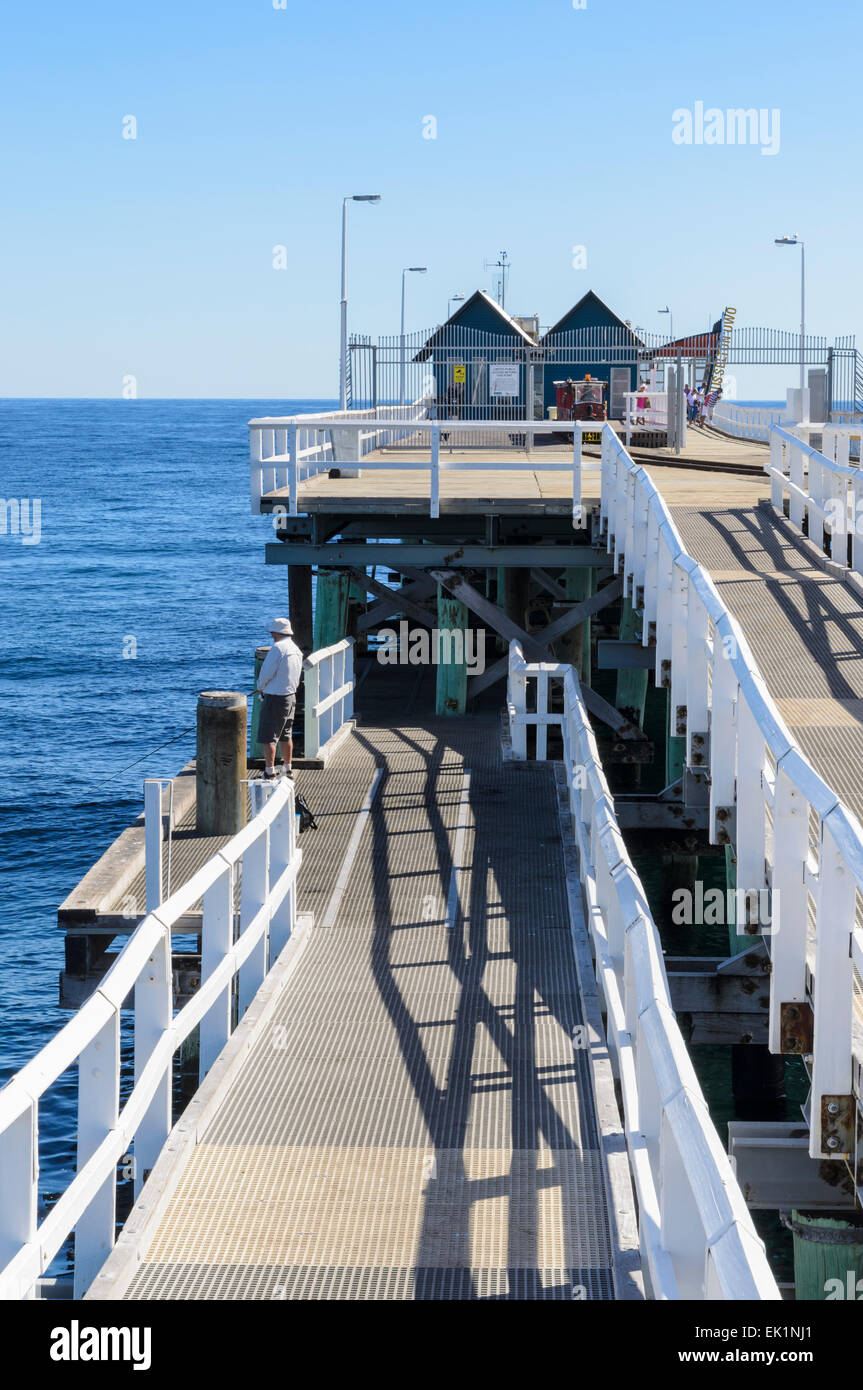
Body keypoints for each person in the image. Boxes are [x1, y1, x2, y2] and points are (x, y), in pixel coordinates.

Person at [256, 618, 303, 780]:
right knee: (286, 734)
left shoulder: (277, 648)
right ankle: (287, 769)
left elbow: (266, 673)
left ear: (276, 633)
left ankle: (269, 772)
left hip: (275, 697)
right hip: (291, 696)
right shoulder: (296, 649)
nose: (271, 635)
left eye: (272, 632)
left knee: (269, 735)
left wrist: (260, 687)